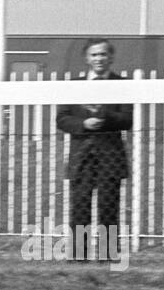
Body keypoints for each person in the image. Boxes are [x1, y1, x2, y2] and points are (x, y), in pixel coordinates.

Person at [55, 39, 133, 262]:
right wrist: (83, 125)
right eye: (94, 55)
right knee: (80, 207)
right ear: (87, 58)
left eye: (103, 54)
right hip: (82, 156)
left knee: (109, 207)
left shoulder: (122, 84)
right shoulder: (74, 85)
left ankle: (108, 255)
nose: (99, 59)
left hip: (110, 155)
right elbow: (62, 119)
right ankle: (78, 254)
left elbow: (127, 119)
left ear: (111, 57)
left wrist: (104, 117)